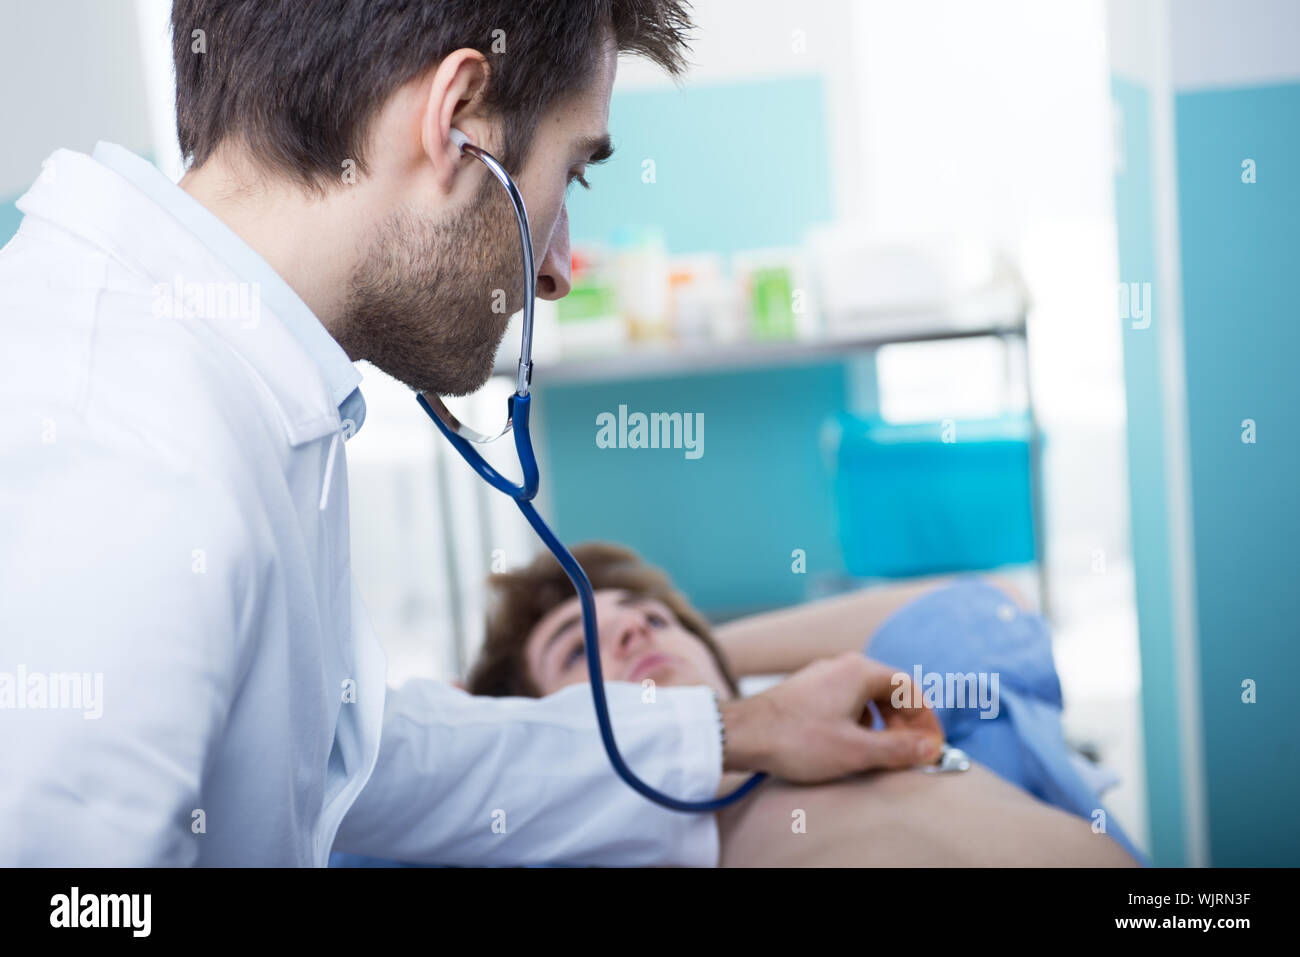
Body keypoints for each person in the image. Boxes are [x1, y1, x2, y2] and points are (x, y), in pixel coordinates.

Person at [0, 1, 946, 867]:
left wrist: (743, 726)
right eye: (568, 174)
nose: (560, 267)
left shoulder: (233, 375)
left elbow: (349, 759)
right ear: (456, 124)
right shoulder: (122, 457)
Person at [465, 543, 1142, 866]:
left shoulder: (875, 726)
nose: (634, 629)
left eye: (647, 618)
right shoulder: (615, 851)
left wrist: (704, 647)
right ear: (540, 727)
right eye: (577, 649)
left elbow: (992, 605)